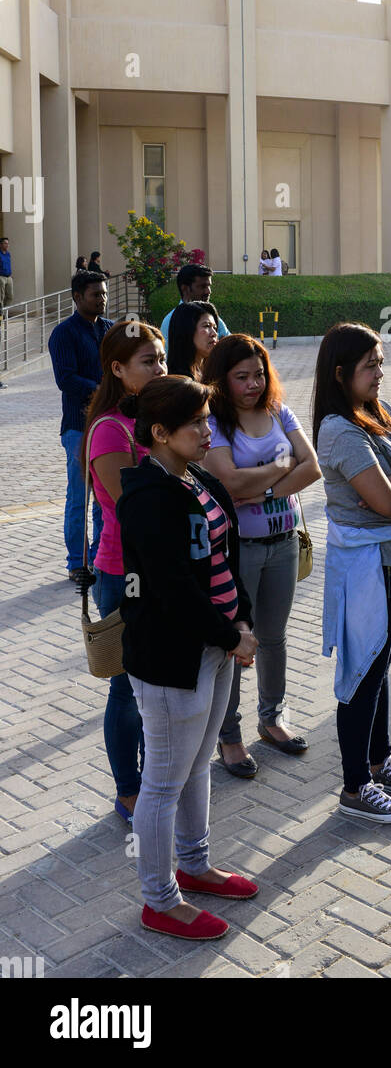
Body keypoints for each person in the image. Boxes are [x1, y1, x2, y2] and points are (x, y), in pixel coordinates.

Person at [116, 376, 259, 942]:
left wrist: (241, 621)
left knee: (198, 766)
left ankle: (194, 866)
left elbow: (229, 556)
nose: (208, 430)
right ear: (159, 433)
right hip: (173, 657)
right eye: (196, 423)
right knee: (161, 784)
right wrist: (230, 636)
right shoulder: (148, 498)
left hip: (218, 644)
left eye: (207, 419)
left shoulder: (195, 479)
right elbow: (172, 588)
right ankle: (159, 899)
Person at [313, 322, 391, 823]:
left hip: (390, 560)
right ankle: (354, 785)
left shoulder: (377, 413)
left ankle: (380, 762)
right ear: (342, 374)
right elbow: (384, 504)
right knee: (362, 671)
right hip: (363, 565)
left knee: (380, 667)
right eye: (371, 365)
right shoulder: (338, 429)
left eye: (381, 362)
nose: (381, 373)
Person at [203, 334, 321, 777]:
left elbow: (311, 467)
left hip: (284, 540)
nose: (253, 383)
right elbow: (228, 485)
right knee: (237, 641)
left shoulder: (278, 411)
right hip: (240, 550)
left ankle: (272, 718)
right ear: (221, 379)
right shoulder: (214, 422)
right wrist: (277, 468)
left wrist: (264, 488)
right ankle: (228, 737)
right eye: (241, 377)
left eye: (259, 374)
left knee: (274, 636)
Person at [80, 320, 168, 823]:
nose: (159, 368)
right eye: (147, 361)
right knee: (129, 687)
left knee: (154, 684)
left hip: (163, 569)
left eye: (161, 358)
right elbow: (129, 508)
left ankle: (154, 779)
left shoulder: (153, 417)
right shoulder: (110, 429)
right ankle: (129, 790)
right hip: (123, 571)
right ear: (117, 368)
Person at [48, 271, 112, 585]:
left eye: (104, 293)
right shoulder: (63, 333)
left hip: (109, 427)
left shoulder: (111, 330)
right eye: (95, 295)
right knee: (79, 498)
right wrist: (104, 390)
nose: (102, 299)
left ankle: (100, 557)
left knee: (105, 498)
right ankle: (77, 562)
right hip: (78, 428)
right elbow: (66, 380)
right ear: (77, 297)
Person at [159, 263, 229, 343]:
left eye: (209, 286)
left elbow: (230, 344)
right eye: (202, 286)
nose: (208, 291)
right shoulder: (171, 321)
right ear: (185, 289)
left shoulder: (211, 316)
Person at [166, 300, 219, 380]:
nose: (214, 333)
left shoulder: (214, 374)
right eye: (206, 326)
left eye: (215, 328)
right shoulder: (177, 383)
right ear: (186, 330)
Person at [0, 236, 12, 309]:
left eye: (8, 243)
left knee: (10, 296)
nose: (7, 245)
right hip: (1, 277)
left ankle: (4, 313)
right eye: (5, 243)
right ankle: (1, 315)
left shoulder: (8, 254)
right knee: (1, 296)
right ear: (0, 245)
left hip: (9, 277)